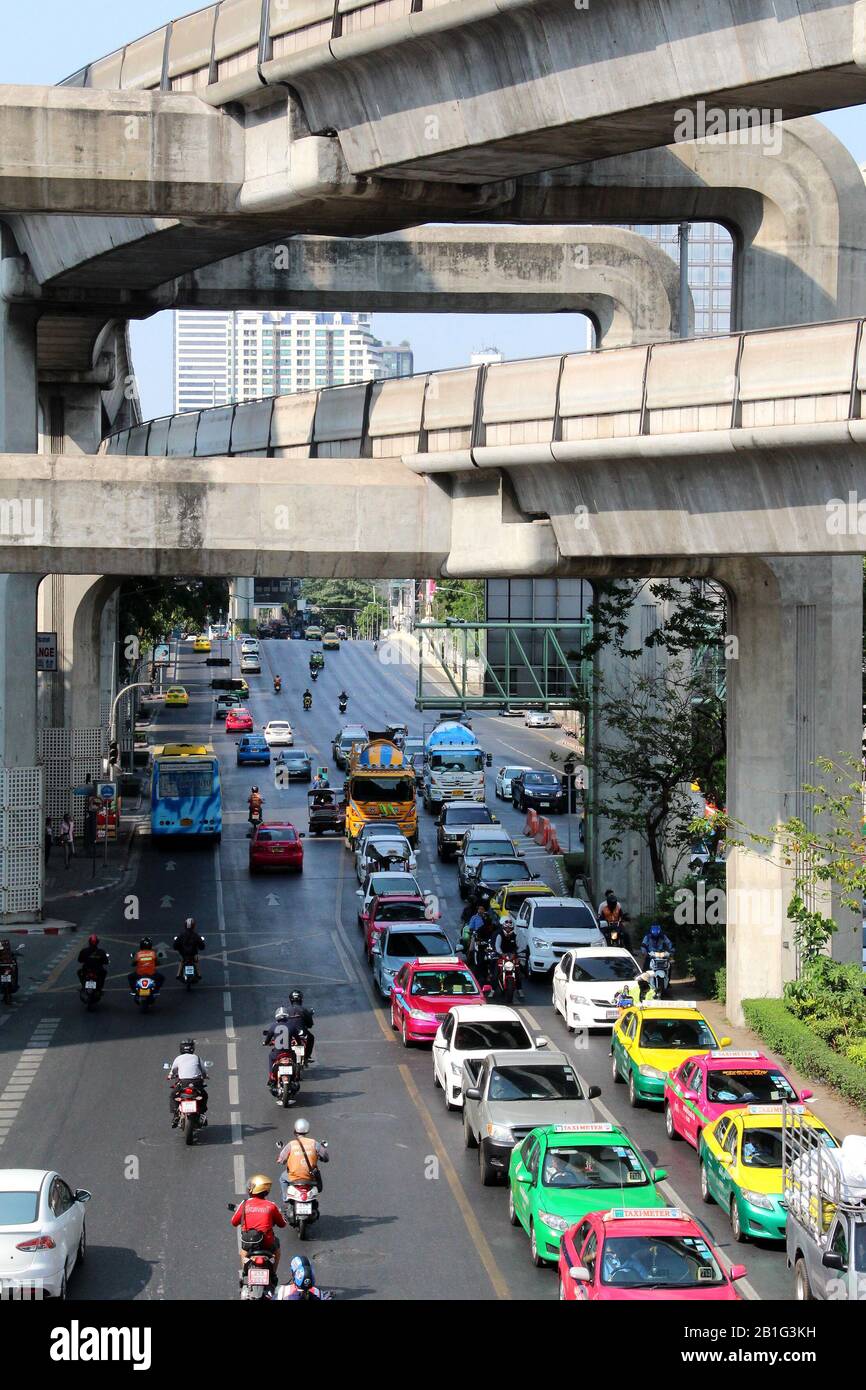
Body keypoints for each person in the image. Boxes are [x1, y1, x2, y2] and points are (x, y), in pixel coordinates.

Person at [231, 1174, 285, 1281]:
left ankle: (245, 1274)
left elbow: (234, 1222)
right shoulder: (271, 1205)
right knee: (277, 1252)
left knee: (243, 1252)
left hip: (248, 1243)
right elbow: (282, 1224)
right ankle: (273, 1274)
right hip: (267, 1243)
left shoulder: (244, 1204)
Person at [277, 1118, 329, 1205]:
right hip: (310, 1177)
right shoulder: (314, 1143)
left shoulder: (291, 1144)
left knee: (282, 1179)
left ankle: (286, 1199)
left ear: (295, 1130)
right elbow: (326, 1158)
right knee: (318, 1177)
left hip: (293, 1177)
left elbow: (281, 1161)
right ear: (307, 1130)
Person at [168, 1037, 209, 1125]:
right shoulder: (197, 1058)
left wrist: (170, 1075)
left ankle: (176, 1114)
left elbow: (173, 1070)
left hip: (183, 1083)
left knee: (173, 1095)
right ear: (192, 1048)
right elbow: (204, 1070)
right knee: (204, 1095)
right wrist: (205, 1076)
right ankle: (202, 1113)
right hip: (196, 1083)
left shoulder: (178, 1058)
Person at [172, 917, 206, 981]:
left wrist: (178, 947)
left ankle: (178, 974)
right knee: (196, 961)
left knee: (181, 961)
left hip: (183, 954)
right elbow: (202, 947)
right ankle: (199, 974)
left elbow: (175, 946)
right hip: (193, 954)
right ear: (193, 926)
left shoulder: (181, 935)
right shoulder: (196, 935)